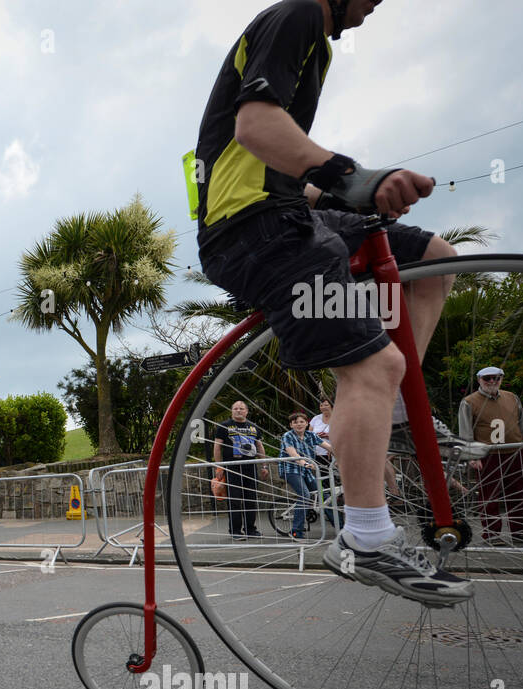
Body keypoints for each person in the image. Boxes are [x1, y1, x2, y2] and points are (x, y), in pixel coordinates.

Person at [194, 0, 473, 605]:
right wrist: (355, 176)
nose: (378, 4)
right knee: (373, 363)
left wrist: (357, 199)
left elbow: (287, 173)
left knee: (434, 258)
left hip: (291, 212)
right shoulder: (296, 16)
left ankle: (397, 409)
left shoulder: (315, 44)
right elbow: (256, 129)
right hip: (252, 232)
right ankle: (366, 537)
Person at [458, 367, 523, 546]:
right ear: (479, 379)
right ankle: (492, 534)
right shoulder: (469, 401)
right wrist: (472, 456)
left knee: (517, 494)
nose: (492, 381)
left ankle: (519, 532)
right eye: (487, 378)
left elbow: (521, 425)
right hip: (488, 455)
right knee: (489, 496)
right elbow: (465, 431)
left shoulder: (512, 397)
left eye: (497, 378)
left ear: (501, 378)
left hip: (514, 452)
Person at [213, 401, 269, 540]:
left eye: (241, 408)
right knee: (235, 500)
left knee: (251, 499)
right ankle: (235, 531)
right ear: (231, 411)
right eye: (235, 408)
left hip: (250, 468)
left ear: (246, 411)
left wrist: (264, 466)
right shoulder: (224, 426)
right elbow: (217, 447)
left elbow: (260, 447)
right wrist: (219, 466)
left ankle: (251, 529)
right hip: (232, 468)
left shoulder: (253, 427)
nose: (238, 411)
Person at [278, 410, 334, 539]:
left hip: (306, 471)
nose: (299, 424)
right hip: (290, 470)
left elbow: (329, 447)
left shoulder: (311, 435)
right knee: (305, 495)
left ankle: (340, 527)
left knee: (325, 496)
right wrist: (303, 463)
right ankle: (296, 531)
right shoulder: (288, 436)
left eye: (302, 422)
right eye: (295, 422)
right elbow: (292, 453)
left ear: (307, 423)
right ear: (291, 425)